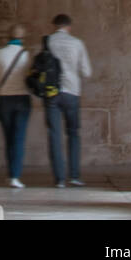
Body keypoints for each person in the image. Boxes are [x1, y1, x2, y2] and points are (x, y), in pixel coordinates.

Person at [44, 13, 91, 188]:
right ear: (68, 27)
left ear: (54, 26)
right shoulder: (77, 43)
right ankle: (74, 176)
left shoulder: (48, 42)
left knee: (54, 134)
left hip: (52, 93)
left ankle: (59, 179)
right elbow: (86, 71)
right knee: (73, 133)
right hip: (72, 92)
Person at [0, 23, 31, 187]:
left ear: (8, 37)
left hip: (4, 99)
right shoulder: (26, 55)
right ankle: (15, 176)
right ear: (22, 37)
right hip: (22, 99)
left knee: (8, 137)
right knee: (19, 137)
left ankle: (11, 173)